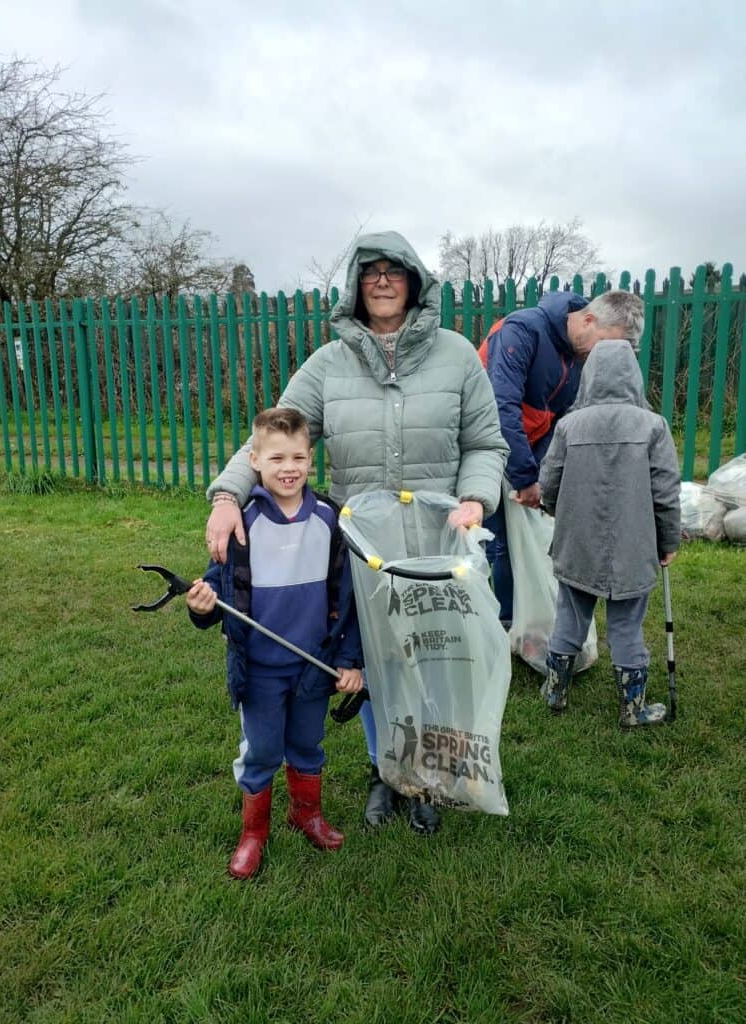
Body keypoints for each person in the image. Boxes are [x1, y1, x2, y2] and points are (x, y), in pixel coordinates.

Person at [204, 229, 509, 835]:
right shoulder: (327, 364)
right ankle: (383, 769)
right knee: (371, 661)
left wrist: (476, 498)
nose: (383, 281)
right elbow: (272, 437)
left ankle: (426, 776)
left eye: (395, 270)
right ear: (356, 285)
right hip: (357, 555)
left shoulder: (455, 356)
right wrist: (225, 495)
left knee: (429, 660)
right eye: (370, 272)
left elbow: (484, 443)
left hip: (433, 544)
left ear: (414, 280)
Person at [187, 407, 364, 880]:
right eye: (277, 457)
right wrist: (202, 605)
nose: (290, 468)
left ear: (312, 460)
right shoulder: (241, 523)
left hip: (315, 668)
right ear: (254, 461)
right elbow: (215, 588)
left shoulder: (330, 520)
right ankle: (254, 833)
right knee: (262, 748)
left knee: (308, 743)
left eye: (300, 457)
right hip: (261, 669)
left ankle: (305, 813)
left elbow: (349, 601)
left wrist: (349, 660)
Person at [479, 289, 646, 627]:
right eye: (604, 344)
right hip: (480, 446)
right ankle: (492, 623)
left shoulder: (578, 355)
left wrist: (542, 473)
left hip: (521, 450)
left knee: (516, 543)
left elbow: (558, 420)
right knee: (491, 539)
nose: (603, 356)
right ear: (588, 320)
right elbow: (500, 407)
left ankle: (518, 623)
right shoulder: (521, 330)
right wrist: (526, 477)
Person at [538, 340, 681, 727]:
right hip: (633, 546)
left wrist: (556, 511)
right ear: (632, 377)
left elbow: (548, 482)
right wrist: (667, 541)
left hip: (577, 542)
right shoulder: (653, 426)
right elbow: (665, 492)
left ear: (590, 377)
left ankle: (555, 692)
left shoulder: (568, 425)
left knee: (569, 615)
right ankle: (632, 710)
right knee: (627, 625)